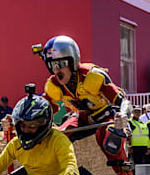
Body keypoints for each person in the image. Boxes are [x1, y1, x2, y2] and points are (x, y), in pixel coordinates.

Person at [39, 36, 129, 166]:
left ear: (73, 62)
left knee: (110, 135)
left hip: (105, 116)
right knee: (59, 135)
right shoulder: (53, 85)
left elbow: (123, 102)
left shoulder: (93, 76)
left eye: (62, 64)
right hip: (82, 118)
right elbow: (44, 109)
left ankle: (122, 171)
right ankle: (61, 173)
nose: (58, 70)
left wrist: (123, 115)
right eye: (53, 65)